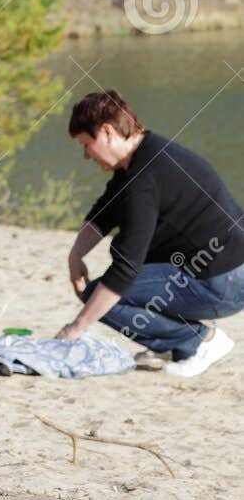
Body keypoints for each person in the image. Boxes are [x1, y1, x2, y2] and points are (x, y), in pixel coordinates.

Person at [57, 89, 244, 378]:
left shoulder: (142, 180)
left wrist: (76, 328)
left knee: (99, 294)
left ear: (107, 132)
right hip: (227, 272)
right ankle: (171, 344)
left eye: (86, 144)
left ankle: (200, 342)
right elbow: (105, 211)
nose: (85, 156)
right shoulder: (145, 154)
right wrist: (75, 255)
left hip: (224, 282)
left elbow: (125, 270)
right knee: (124, 257)